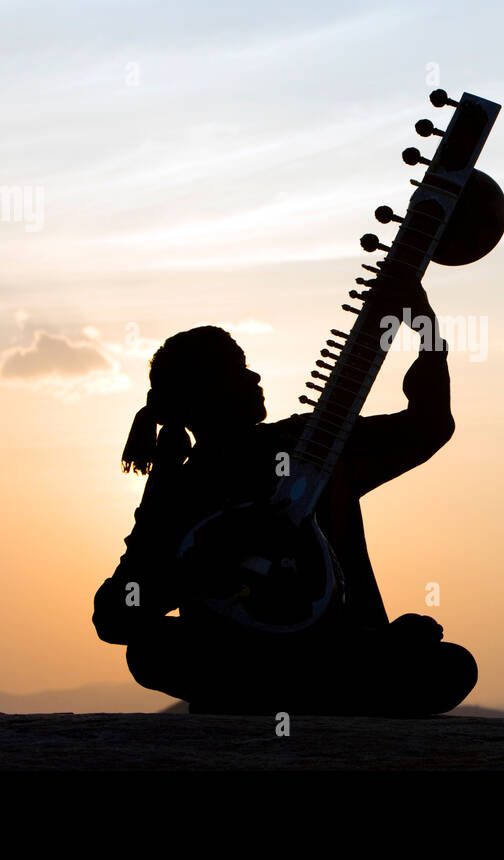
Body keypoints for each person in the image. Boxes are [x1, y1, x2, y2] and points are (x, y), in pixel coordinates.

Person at [92, 281, 477, 716]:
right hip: (282, 665)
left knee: (452, 664)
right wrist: (170, 487)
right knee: (149, 650)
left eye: (248, 366)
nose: (253, 376)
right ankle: (337, 674)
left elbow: (428, 426)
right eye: (235, 371)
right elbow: (117, 615)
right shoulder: (186, 487)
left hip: (312, 661)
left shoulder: (309, 444)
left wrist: (428, 334)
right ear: (201, 396)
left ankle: (328, 669)